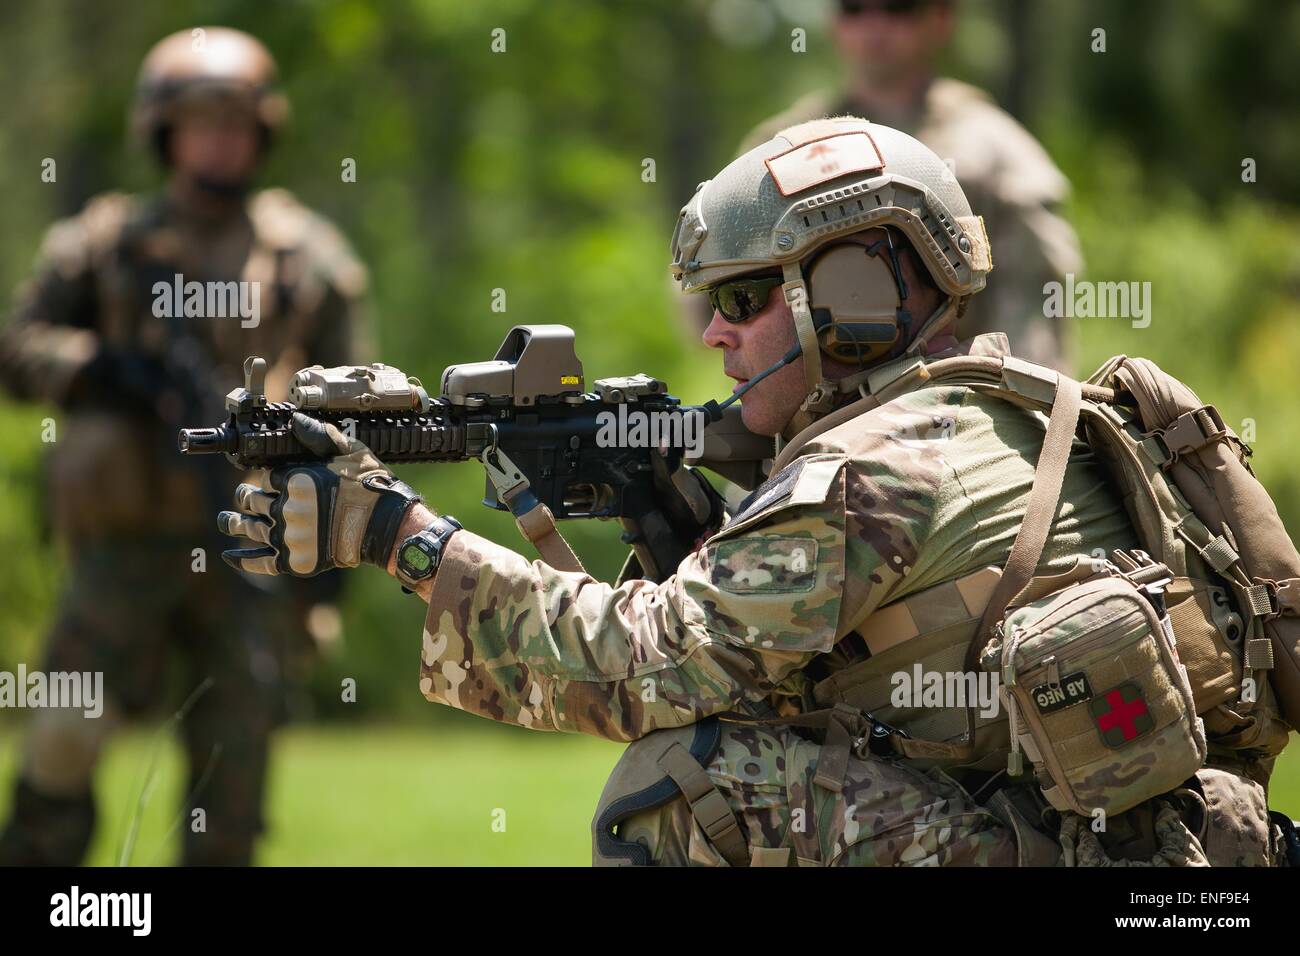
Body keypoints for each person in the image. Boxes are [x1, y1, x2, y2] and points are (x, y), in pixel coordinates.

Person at [209, 117, 1282, 866]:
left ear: (855, 291)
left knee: (685, 785)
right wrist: (670, 519)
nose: (715, 330)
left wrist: (394, 532)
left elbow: (642, 670)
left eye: (745, 295)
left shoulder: (870, 467)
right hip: (1149, 842)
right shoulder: (1007, 406)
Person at [0, 26, 371, 865]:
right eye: (201, 121)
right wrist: (102, 369)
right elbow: (16, 348)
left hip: (253, 548)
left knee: (231, 779)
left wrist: (330, 581)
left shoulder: (307, 257)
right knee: (62, 742)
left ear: (262, 131)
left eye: (236, 122)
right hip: (120, 550)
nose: (220, 139)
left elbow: (356, 409)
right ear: (164, 130)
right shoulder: (104, 244)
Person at [681, 0, 1081, 373]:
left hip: (950, 406)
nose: (874, 26)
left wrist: (1023, 413)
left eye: (897, 8)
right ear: (834, 22)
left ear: (940, 20)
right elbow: (708, 298)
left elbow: (1033, 323)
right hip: (807, 409)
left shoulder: (996, 153)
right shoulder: (778, 149)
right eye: (854, 8)